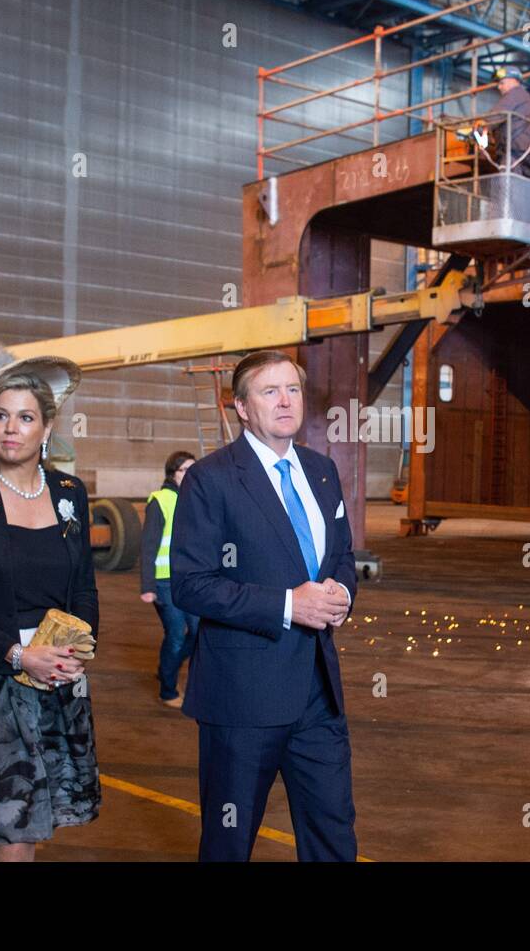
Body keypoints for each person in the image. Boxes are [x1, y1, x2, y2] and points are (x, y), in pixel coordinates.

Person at [171, 350, 359, 862]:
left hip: (318, 694)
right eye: (269, 391)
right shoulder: (210, 479)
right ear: (242, 407)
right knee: (229, 843)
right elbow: (190, 584)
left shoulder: (321, 471)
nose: (284, 401)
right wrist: (286, 604)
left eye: (293, 390)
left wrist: (342, 592)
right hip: (242, 698)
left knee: (333, 835)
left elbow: (341, 555)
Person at [0, 351, 100, 861]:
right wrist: (17, 655)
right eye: (1, 416)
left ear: (46, 426)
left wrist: (76, 648)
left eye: (25, 417)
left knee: (37, 821)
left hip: (57, 674)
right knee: (13, 826)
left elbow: (85, 589)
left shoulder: (70, 493)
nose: (11, 429)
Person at [140, 450, 200, 709]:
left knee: (198, 632)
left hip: (188, 580)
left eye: (193, 470)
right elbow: (149, 545)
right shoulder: (160, 500)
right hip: (164, 582)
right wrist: (147, 585)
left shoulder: (194, 500)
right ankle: (168, 690)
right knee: (176, 634)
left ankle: (168, 665)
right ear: (172, 473)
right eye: (185, 470)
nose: (189, 475)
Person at [484, 65, 530, 177]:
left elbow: (496, 115)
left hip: (514, 154)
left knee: (509, 190)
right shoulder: (524, 97)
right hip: (521, 154)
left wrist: (479, 126)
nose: (499, 87)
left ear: (512, 80)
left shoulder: (516, 94)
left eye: (502, 83)